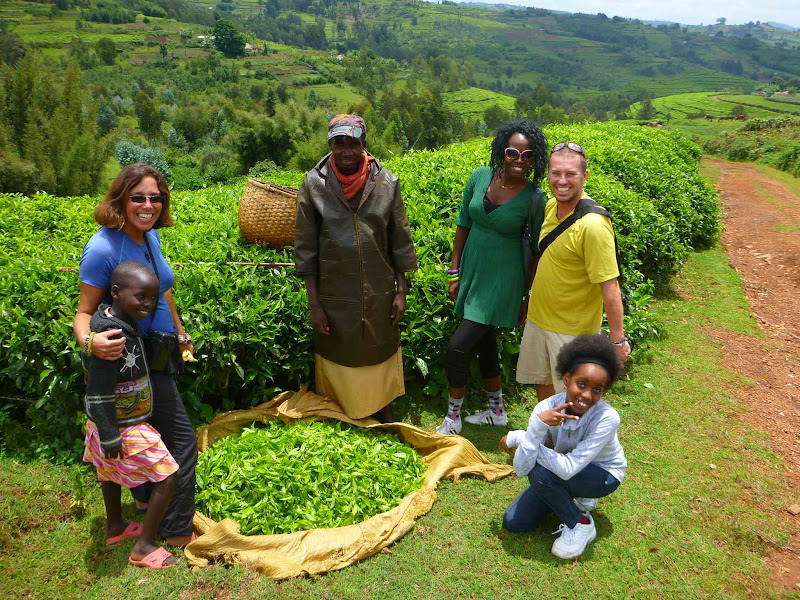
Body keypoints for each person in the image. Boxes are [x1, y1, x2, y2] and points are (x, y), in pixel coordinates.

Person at [73, 163, 197, 548]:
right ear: (121, 199)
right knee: (182, 439)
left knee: (147, 429)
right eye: (139, 198)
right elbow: (82, 313)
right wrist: (90, 344)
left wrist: (178, 332)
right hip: (130, 362)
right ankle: (176, 531)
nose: (148, 205)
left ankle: (144, 500)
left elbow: (161, 290)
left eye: (155, 198)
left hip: (157, 353)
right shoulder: (103, 248)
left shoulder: (149, 237)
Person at [294, 114, 418, 423]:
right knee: (340, 350)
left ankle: (383, 406)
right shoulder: (314, 184)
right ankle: (343, 408)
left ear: (364, 145)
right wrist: (314, 303)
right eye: (339, 144)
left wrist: (401, 291)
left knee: (379, 348)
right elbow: (306, 248)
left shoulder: (386, 182)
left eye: (354, 144)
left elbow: (399, 240)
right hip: (333, 289)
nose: (346, 151)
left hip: (379, 286)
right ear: (330, 145)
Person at [436, 120, 548, 435]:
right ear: (502, 150)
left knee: (458, 347)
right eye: (513, 152)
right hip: (473, 272)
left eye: (528, 156)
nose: (519, 161)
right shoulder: (480, 176)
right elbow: (462, 225)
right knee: (484, 343)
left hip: (503, 281)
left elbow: (536, 251)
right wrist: (454, 271)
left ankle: (452, 418)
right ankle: (497, 412)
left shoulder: (534, 199)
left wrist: (527, 296)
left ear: (535, 160)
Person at [516, 141, 631, 403]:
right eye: (556, 173)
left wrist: (617, 341)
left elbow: (609, 285)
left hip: (572, 333)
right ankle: (550, 437)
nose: (562, 181)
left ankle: (569, 443)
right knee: (544, 384)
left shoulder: (593, 225)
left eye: (571, 174)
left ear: (585, 176)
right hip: (539, 320)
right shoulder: (549, 207)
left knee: (575, 400)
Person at [82, 261, 179, 569]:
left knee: (107, 471)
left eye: (152, 298)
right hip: (120, 426)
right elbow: (97, 391)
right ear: (116, 293)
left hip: (110, 424)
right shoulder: (109, 337)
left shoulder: (116, 324)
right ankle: (144, 546)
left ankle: (115, 527)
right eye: (141, 297)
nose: (148, 305)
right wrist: (110, 433)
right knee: (168, 475)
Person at [500, 334, 626, 560]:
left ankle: (580, 523)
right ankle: (572, 494)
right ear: (567, 379)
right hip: (566, 466)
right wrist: (537, 427)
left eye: (597, 389)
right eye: (581, 384)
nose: (587, 395)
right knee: (514, 522)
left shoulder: (607, 417)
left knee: (541, 473)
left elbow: (567, 468)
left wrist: (522, 439)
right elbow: (520, 469)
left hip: (602, 475)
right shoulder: (546, 408)